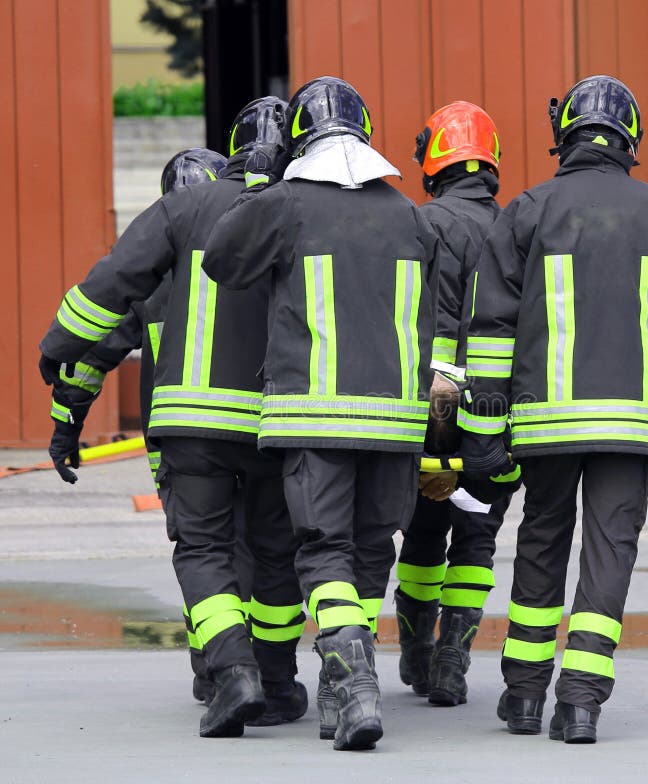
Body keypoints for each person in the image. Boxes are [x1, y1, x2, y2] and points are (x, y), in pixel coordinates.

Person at [459, 74, 648, 743]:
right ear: (631, 139)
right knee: (609, 549)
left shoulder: (528, 209)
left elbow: (490, 330)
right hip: (634, 424)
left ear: (563, 134)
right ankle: (583, 702)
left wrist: (483, 432)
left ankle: (526, 696)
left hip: (546, 421)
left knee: (542, 540)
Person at [39, 97, 309, 738]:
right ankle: (274, 681)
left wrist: (57, 357)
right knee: (273, 555)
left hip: (190, 429)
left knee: (205, 550)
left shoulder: (184, 211)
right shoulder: (303, 213)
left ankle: (228, 669)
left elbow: (108, 290)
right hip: (277, 423)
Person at [202, 76, 442, 751]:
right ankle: (344, 689)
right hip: (395, 423)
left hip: (315, 417)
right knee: (371, 548)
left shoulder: (285, 203)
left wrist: (256, 182)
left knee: (323, 550)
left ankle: (354, 683)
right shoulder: (408, 212)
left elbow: (222, 259)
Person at [394, 101, 516, 707]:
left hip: (429, 413)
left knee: (421, 534)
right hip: (499, 419)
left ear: (432, 160)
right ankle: (452, 662)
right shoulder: (521, 225)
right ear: (490, 161)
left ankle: (416, 654)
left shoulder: (419, 223)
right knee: (477, 537)